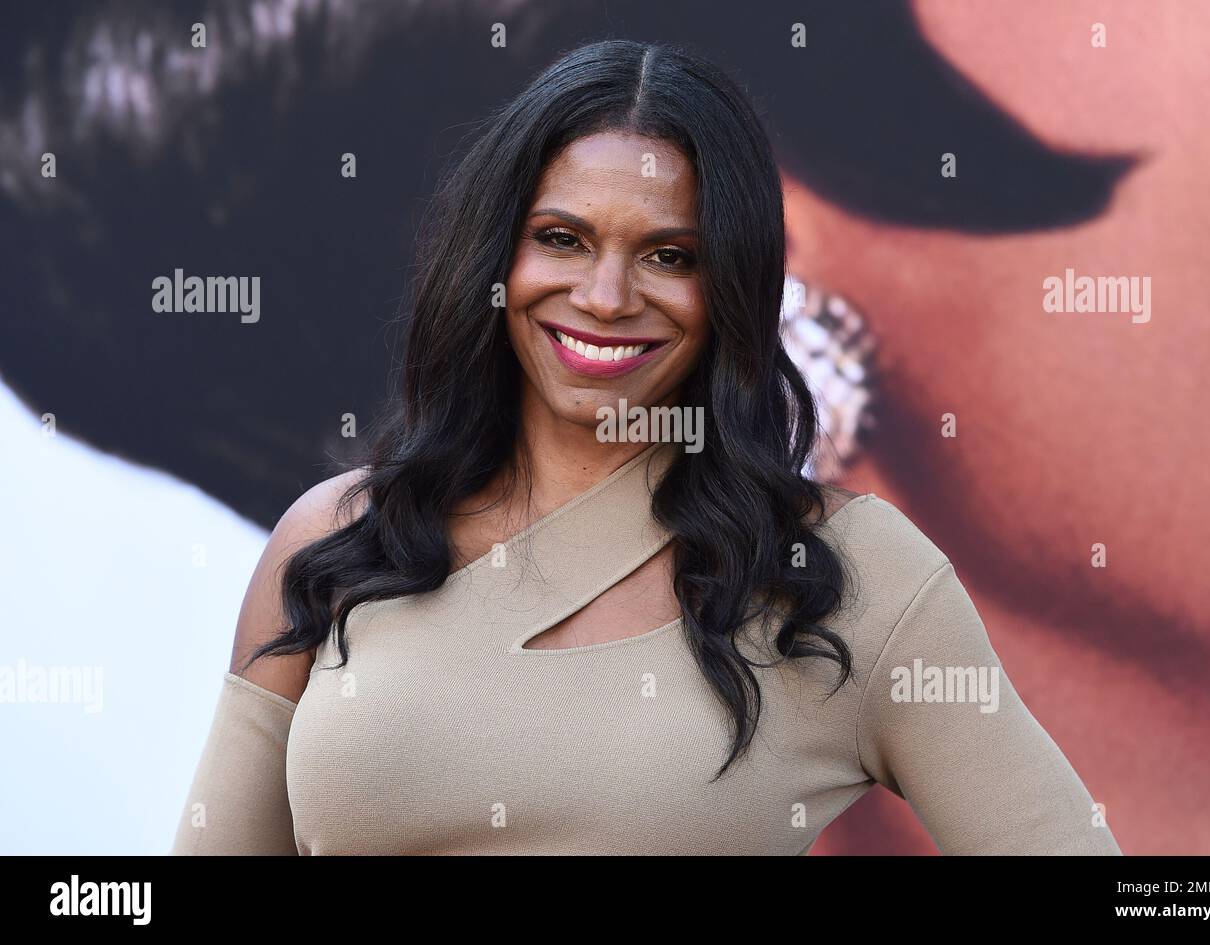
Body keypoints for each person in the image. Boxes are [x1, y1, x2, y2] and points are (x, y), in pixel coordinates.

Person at [170, 38, 1121, 856]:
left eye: (672, 255)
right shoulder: (340, 539)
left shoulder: (845, 575)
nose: (607, 296)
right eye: (563, 238)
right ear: (495, 257)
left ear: (734, 287)